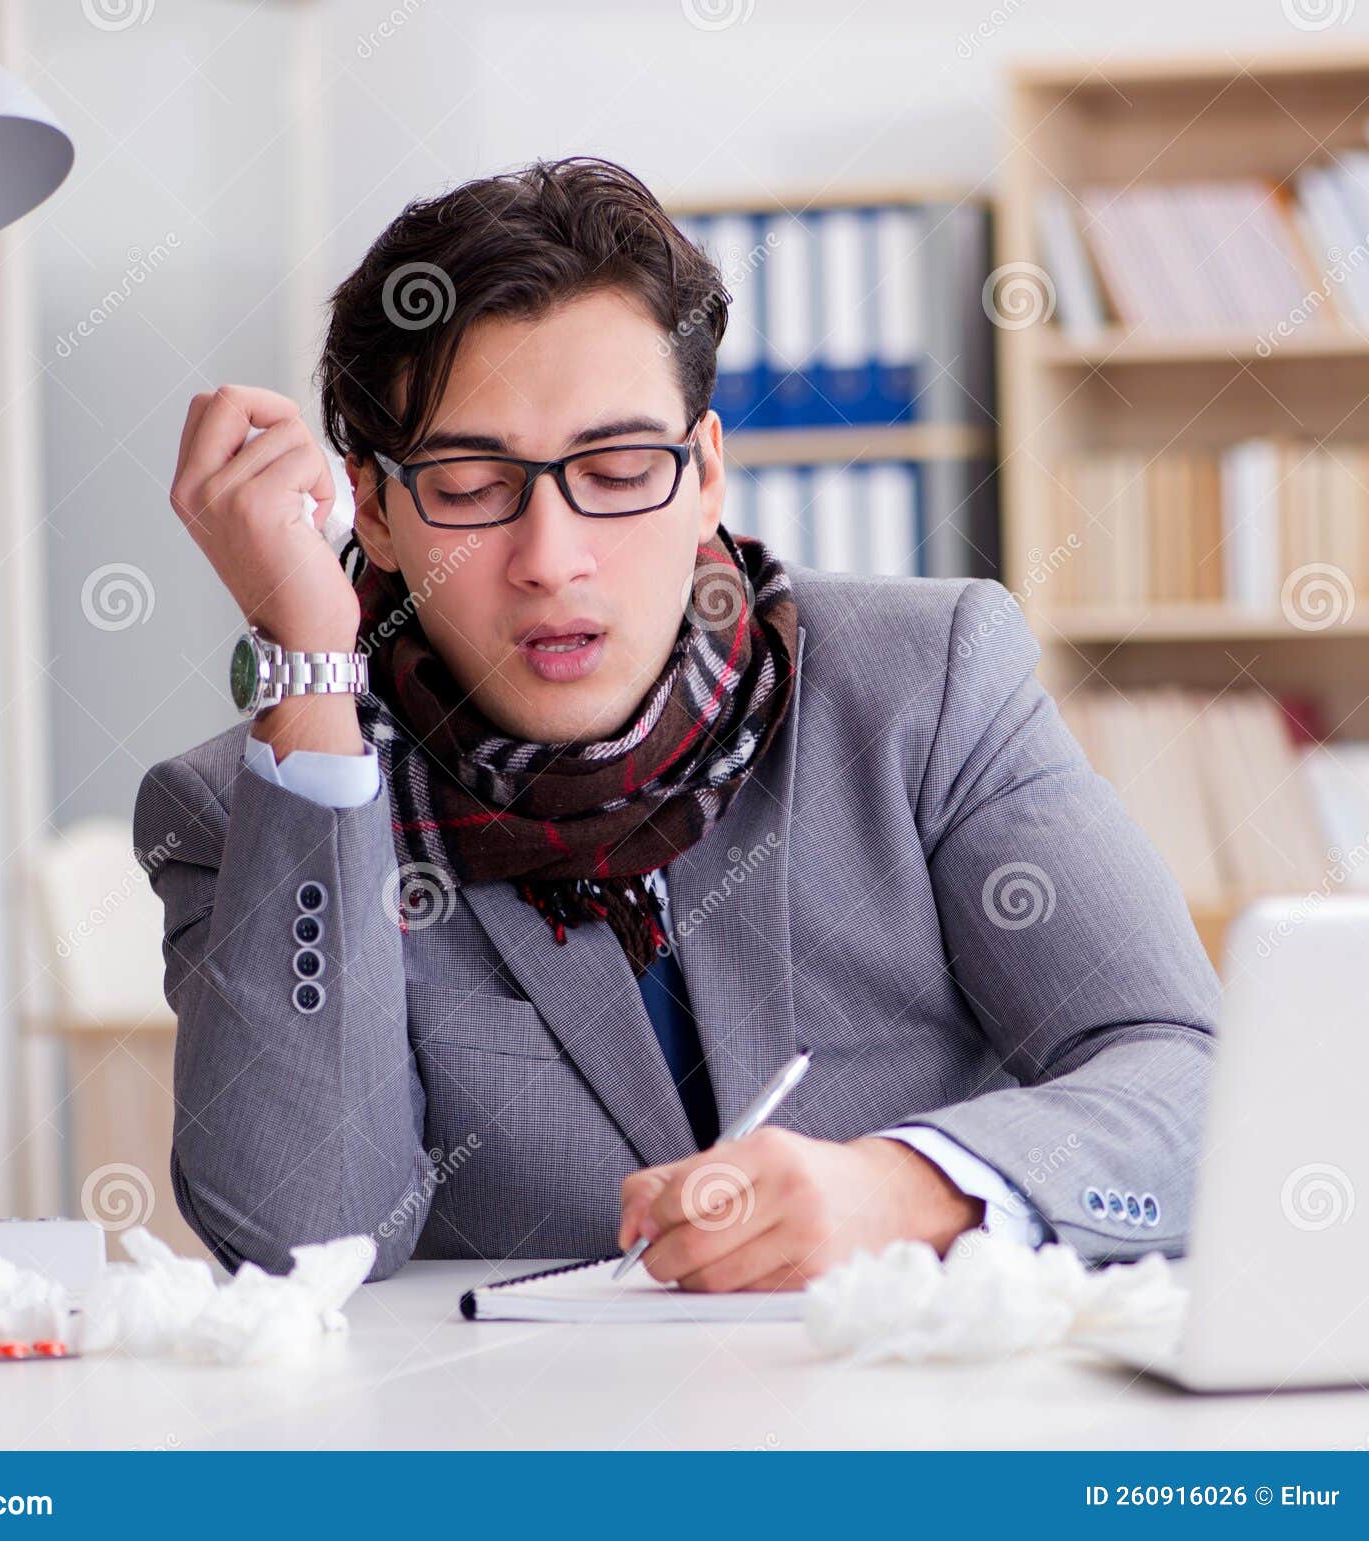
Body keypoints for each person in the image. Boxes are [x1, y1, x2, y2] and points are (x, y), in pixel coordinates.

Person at [133, 157, 1218, 1291]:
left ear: (704, 473)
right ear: (373, 508)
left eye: (616, 470)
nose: (552, 558)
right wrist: (309, 658)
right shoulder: (255, 809)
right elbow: (304, 1243)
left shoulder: (925, 688)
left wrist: (910, 1188)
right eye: (467, 485)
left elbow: (1189, 1077)